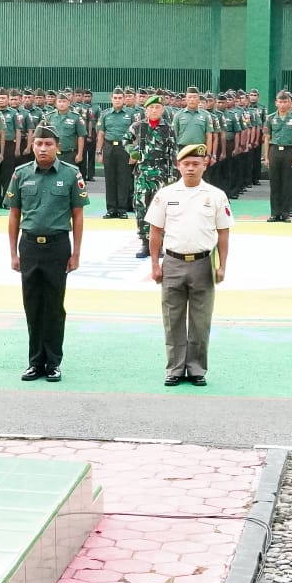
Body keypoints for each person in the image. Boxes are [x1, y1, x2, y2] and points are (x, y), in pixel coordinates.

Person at [146, 144, 233, 387]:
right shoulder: (166, 194)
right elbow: (155, 231)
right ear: (178, 166)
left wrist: (222, 266)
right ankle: (174, 368)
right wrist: (155, 264)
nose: (191, 168)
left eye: (196, 163)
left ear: (205, 165)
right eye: (186, 164)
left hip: (203, 263)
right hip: (173, 262)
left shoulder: (216, 195)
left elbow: (223, 233)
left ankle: (196, 368)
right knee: (172, 318)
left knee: (200, 320)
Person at [7, 124, 87, 383]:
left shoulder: (71, 174)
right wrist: (13, 253)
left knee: (53, 306)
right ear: (32, 146)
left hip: (57, 247)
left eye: (48, 144)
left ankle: (52, 362)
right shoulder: (20, 175)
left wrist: (76, 253)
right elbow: (14, 216)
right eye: (39, 144)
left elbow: (78, 216)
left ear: (58, 147)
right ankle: (35, 362)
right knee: (32, 305)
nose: (43, 148)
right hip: (29, 246)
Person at [124, 95, 178, 257]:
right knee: (141, 207)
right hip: (142, 174)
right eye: (151, 108)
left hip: (161, 175)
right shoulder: (138, 127)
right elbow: (125, 140)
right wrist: (132, 152)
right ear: (146, 110)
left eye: (157, 108)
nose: (154, 110)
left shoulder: (168, 129)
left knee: (161, 210)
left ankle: (159, 244)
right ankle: (145, 243)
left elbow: (173, 154)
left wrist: (173, 177)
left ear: (162, 110)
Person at [263, 90, 292, 222]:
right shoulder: (270, 118)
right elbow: (267, 137)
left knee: (288, 183)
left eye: (285, 101)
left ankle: (285, 213)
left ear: (290, 103)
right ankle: (275, 213)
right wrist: (266, 157)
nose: (282, 104)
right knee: (274, 183)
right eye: (280, 102)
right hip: (274, 150)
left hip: (289, 151)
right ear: (276, 103)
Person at [97, 87, 134, 219]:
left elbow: (135, 135)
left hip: (124, 149)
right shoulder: (105, 114)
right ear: (111, 99)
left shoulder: (131, 114)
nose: (117, 100)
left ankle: (122, 209)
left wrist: (133, 153)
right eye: (115, 98)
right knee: (110, 179)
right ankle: (111, 209)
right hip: (109, 148)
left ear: (124, 99)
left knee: (124, 179)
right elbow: (101, 134)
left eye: (120, 98)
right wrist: (99, 152)